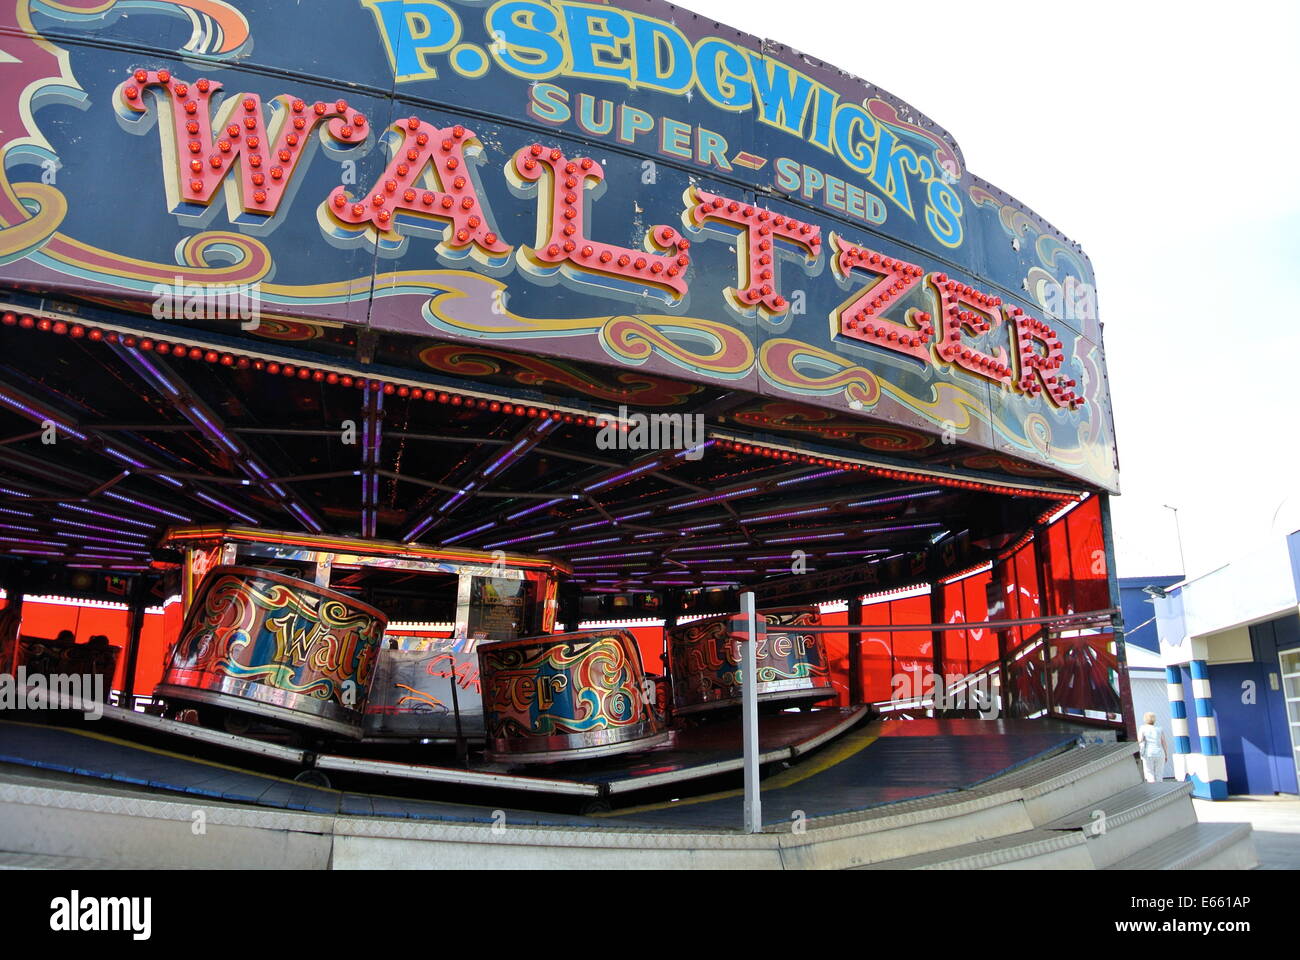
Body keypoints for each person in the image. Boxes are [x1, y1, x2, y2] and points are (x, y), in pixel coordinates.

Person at [1136, 711, 1168, 783]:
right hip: (1160, 753)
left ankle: (1153, 790)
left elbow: (1139, 740)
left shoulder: (1143, 728)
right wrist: (1166, 755)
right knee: (1159, 774)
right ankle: (1160, 790)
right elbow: (1164, 743)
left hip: (1148, 753)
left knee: (1149, 773)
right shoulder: (1159, 729)